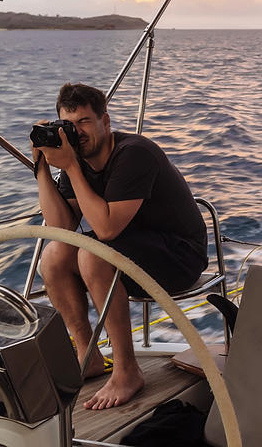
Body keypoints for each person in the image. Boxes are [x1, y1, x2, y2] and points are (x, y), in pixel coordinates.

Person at [32, 83, 208, 410]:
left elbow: (107, 228)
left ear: (106, 121)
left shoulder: (134, 154)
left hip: (179, 256)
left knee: (93, 253)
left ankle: (127, 371)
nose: (77, 132)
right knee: (54, 256)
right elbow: (62, 228)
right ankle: (90, 356)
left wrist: (70, 165)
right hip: (129, 254)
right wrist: (42, 166)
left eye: (85, 122)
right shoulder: (78, 159)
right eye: (69, 125)